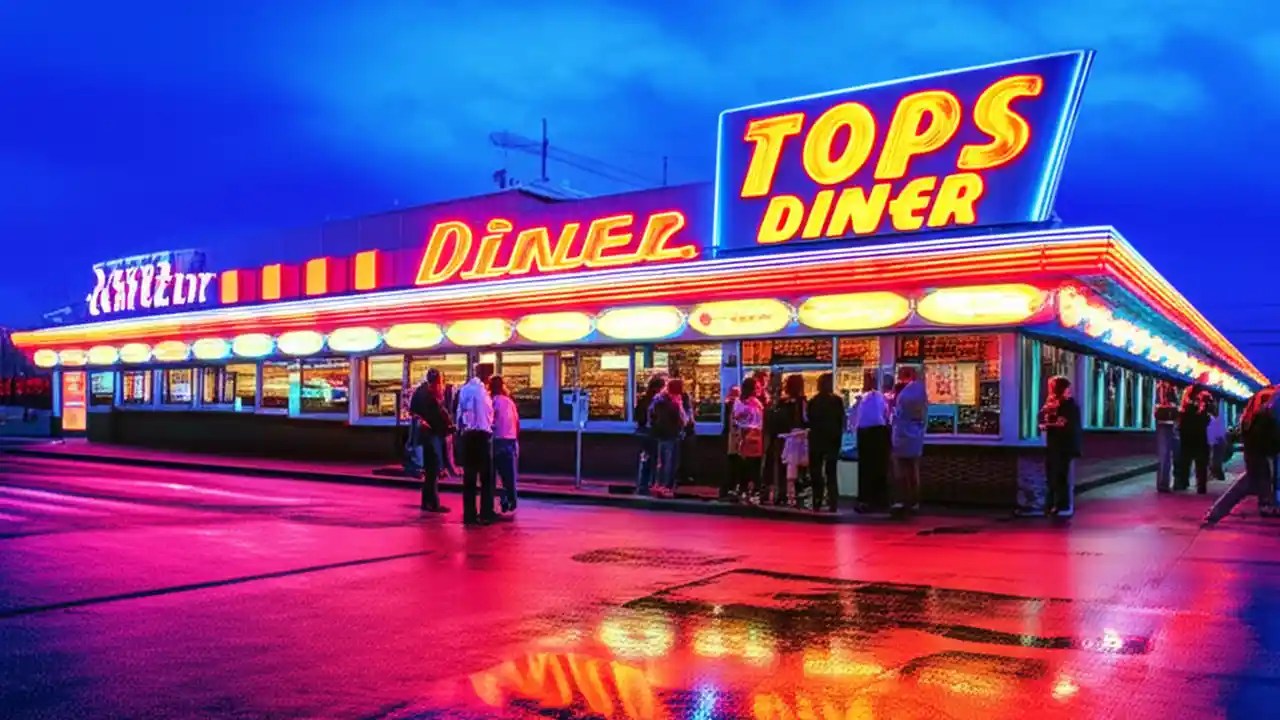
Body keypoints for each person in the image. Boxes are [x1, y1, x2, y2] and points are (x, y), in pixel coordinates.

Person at [1204, 384, 1280, 526]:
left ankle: (1216, 513)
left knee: (1256, 480)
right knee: (1250, 482)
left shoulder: (1268, 394)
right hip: (1261, 445)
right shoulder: (1275, 397)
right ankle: (1215, 513)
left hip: (1255, 443)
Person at [456, 362, 501, 525]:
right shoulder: (482, 392)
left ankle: (469, 514)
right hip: (482, 436)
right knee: (486, 477)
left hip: (467, 436)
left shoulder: (465, 389)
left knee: (469, 478)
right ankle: (486, 512)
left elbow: (459, 414)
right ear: (486, 376)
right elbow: (487, 417)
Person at [1039, 375, 1083, 517]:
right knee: (1054, 474)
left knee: (1060, 475)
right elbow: (1043, 416)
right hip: (1056, 444)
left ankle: (1060, 505)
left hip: (1063, 445)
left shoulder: (1068, 405)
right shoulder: (1054, 403)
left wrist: (1047, 425)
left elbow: (1063, 424)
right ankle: (1053, 504)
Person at [408, 370, 451, 514]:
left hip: (424, 435)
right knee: (432, 470)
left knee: (430, 471)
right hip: (431, 435)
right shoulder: (430, 395)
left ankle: (427, 502)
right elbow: (436, 416)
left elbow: (412, 411)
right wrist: (447, 427)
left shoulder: (420, 392)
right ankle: (433, 503)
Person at [890, 366, 927, 518]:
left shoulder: (905, 394)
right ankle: (914, 501)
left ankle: (902, 500)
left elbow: (898, 413)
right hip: (916, 435)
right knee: (913, 470)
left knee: (901, 470)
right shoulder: (920, 391)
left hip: (902, 436)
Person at [807, 373, 845, 513]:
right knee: (831, 471)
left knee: (816, 471)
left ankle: (817, 500)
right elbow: (841, 421)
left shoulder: (813, 402)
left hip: (816, 440)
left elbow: (809, 420)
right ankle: (833, 502)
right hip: (832, 440)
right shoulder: (837, 401)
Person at [853, 376, 892, 513]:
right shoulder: (881, 397)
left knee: (865, 468)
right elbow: (886, 415)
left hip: (865, 433)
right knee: (880, 467)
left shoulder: (861, 399)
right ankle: (880, 501)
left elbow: (854, 419)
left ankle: (865, 500)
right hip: (879, 433)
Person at [649, 377, 688, 497]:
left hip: (665, 434)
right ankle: (665, 486)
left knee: (665, 462)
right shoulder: (669, 402)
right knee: (669, 462)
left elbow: (651, 415)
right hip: (670, 434)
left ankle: (660, 485)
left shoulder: (659, 400)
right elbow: (683, 420)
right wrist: (679, 406)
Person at [773, 374, 809, 507]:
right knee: (798, 469)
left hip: (782, 437)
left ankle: (782, 495)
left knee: (782, 467)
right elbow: (806, 419)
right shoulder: (802, 402)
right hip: (798, 438)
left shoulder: (782, 402)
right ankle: (797, 496)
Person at [732, 377, 766, 502]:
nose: (759, 389)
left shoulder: (741, 402)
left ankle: (746, 489)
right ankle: (750, 490)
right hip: (751, 433)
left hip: (748, 433)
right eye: (756, 387)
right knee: (752, 464)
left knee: (748, 463)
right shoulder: (753, 403)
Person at [490, 375, 520, 514]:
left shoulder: (493, 401)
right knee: (509, 475)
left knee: (492, 475)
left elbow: (490, 422)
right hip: (511, 440)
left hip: (498, 440)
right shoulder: (510, 402)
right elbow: (517, 422)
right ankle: (511, 500)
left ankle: (498, 501)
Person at [1175, 383, 1212, 494]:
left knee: (1185, 460)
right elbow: (1208, 420)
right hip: (1200, 437)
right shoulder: (1204, 404)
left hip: (1187, 437)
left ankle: (1183, 482)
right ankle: (1201, 485)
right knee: (1201, 463)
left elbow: (1181, 422)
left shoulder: (1186, 406)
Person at [634, 375, 665, 496]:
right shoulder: (658, 401)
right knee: (655, 461)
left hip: (643, 433)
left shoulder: (643, 400)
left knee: (645, 459)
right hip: (652, 433)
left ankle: (642, 485)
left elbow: (637, 416)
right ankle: (649, 485)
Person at [1153, 380, 1180, 493]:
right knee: (1165, 456)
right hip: (1164, 425)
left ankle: (1166, 483)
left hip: (1170, 426)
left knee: (1169, 456)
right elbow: (1159, 410)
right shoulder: (1161, 389)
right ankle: (1163, 484)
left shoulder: (1171, 389)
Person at [721, 386, 742, 501]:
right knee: (733, 465)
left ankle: (726, 489)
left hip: (729, 438)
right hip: (734, 440)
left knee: (729, 465)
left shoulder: (728, 404)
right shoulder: (734, 405)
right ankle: (730, 488)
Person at [1207, 393, 1228, 482]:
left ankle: (1215, 473)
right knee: (1216, 458)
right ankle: (1217, 473)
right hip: (1217, 440)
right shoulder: (1217, 418)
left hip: (1213, 441)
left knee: (1214, 458)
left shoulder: (1210, 418)